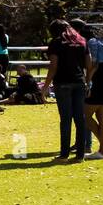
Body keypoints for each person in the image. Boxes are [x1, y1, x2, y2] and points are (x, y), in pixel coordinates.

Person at [39, 19, 92, 162]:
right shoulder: (81, 41)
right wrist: (88, 82)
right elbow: (89, 63)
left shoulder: (56, 42)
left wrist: (45, 87)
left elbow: (53, 66)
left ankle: (64, 154)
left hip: (62, 83)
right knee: (80, 119)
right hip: (79, 82)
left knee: (66, 119)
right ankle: (80, 155)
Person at [74, 19, 103, 160]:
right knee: (102, 118)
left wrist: (88, 83)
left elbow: (94, 64)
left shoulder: (91, 42)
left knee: (83, 115)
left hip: (98, 80)